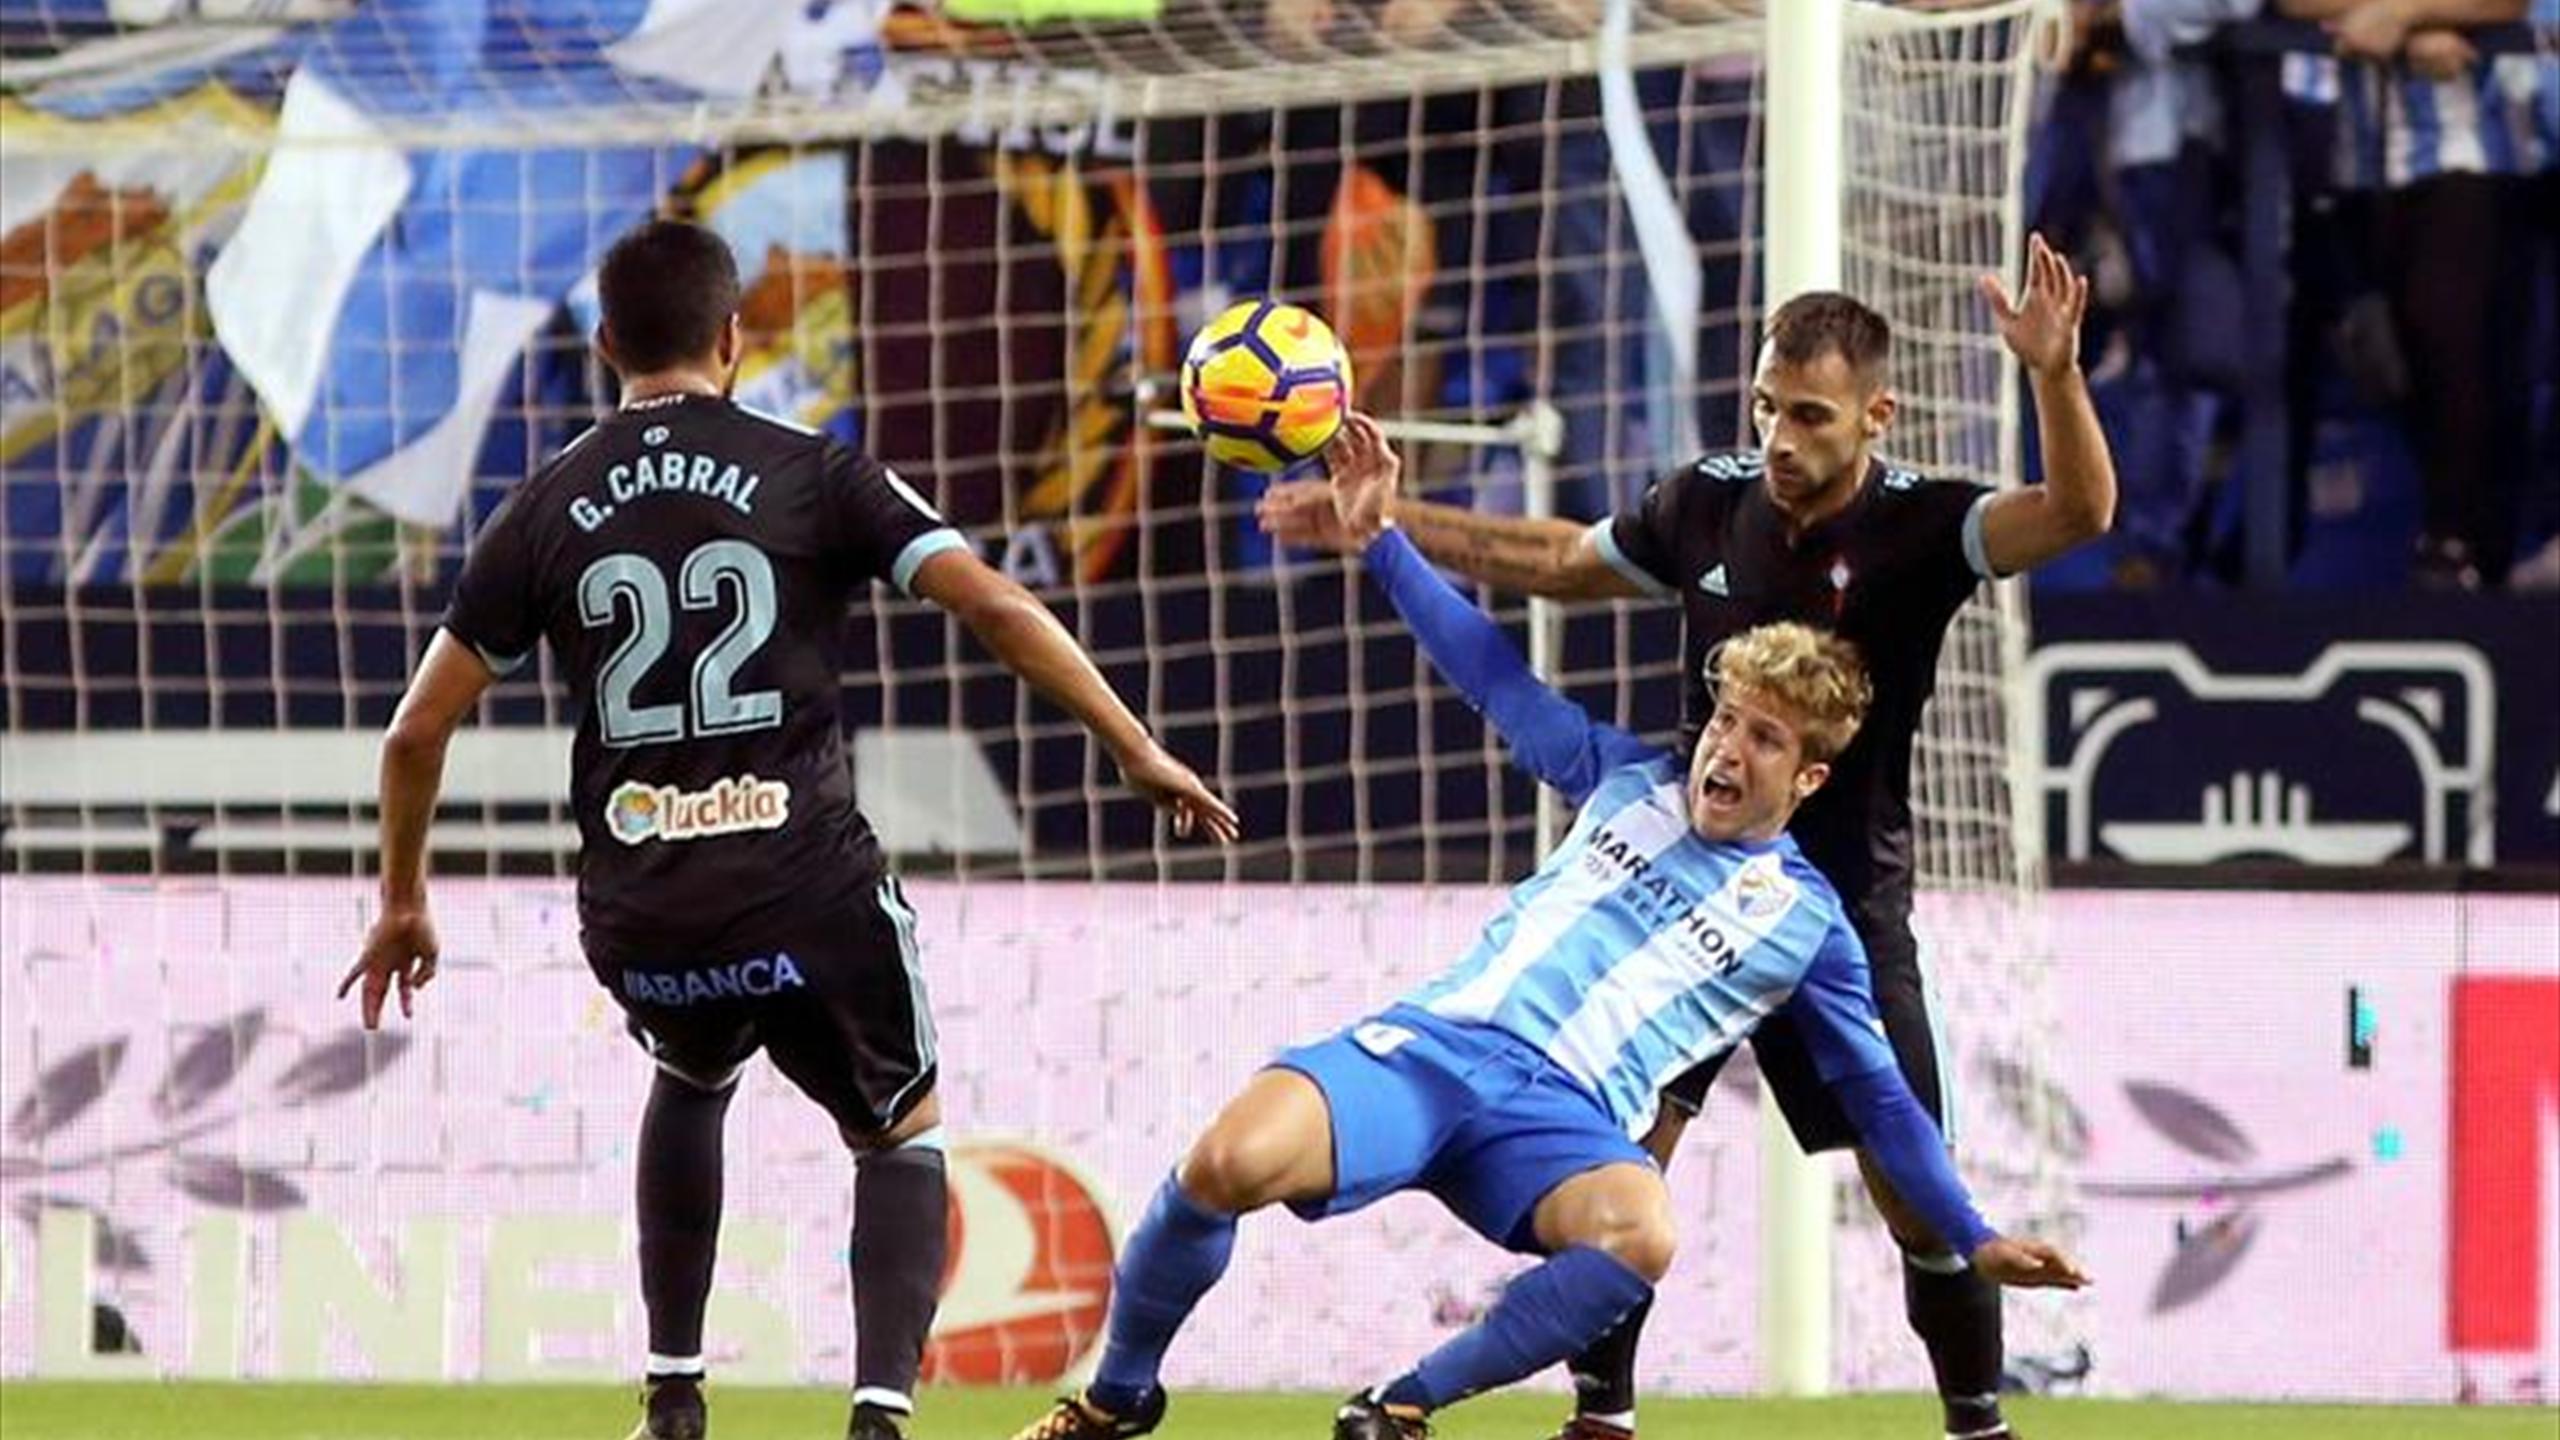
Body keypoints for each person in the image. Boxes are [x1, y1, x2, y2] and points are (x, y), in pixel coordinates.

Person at [335, 219, 1239, 1440]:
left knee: (691, 1067)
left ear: (606, 346)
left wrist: (401, 900)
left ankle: (672, 1391)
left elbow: (411, 734)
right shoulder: (814, 468)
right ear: (734, 339)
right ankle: (876, 1415)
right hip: (807, 886)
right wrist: (1132, 746)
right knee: (900, 1130)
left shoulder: (541, 508)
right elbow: (994, 600)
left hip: (645, 907)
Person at [1011, 416, 2088, 1440]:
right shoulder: (1623, 777)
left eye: (1762, 738)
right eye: (1723, 719)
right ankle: (1116, 1400)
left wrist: (1974, 1234)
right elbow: (1493, 674)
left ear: (1808, 774)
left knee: (1642, 1231)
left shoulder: (1807, 925)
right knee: (1224, 1162)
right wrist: (1381, 542)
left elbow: (1883, 1103)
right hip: (1436, 1051)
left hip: (1562, 1122)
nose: (1725, 749)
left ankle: (1398, 1403)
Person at [1259, 238, 2117, 1440]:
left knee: (1913, 1190)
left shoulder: (1922, 526)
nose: (1779, 435)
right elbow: (1557, 562)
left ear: (1877, 416)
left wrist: (2053, 376)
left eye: (1809, 416)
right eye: (1765, 404)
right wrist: (1393, 518)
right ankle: (1602, 1414)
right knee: (1614, 1155)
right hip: (1677, 878)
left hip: (1835, 902)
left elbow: (2077, 511)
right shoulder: (1709, 498)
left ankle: (1975, 1421)